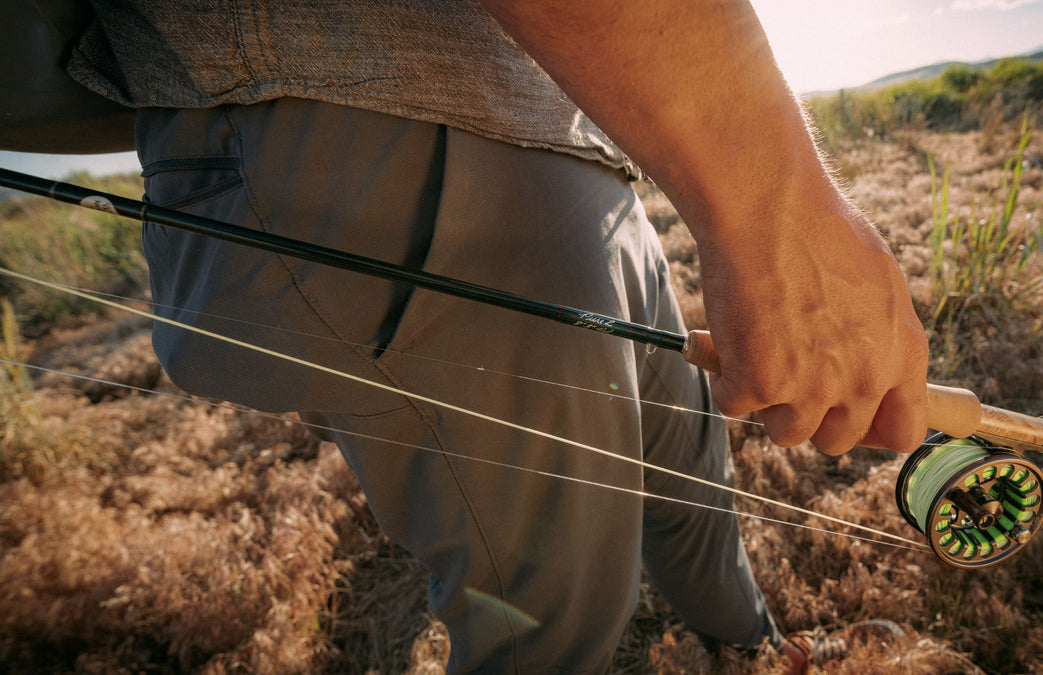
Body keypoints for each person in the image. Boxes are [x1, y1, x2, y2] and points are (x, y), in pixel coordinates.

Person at [68, 1, 929, 673]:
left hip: (569, 148)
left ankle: (751, 648)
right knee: (554, 615)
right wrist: (779, 214)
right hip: (386, 125)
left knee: (688, 473)